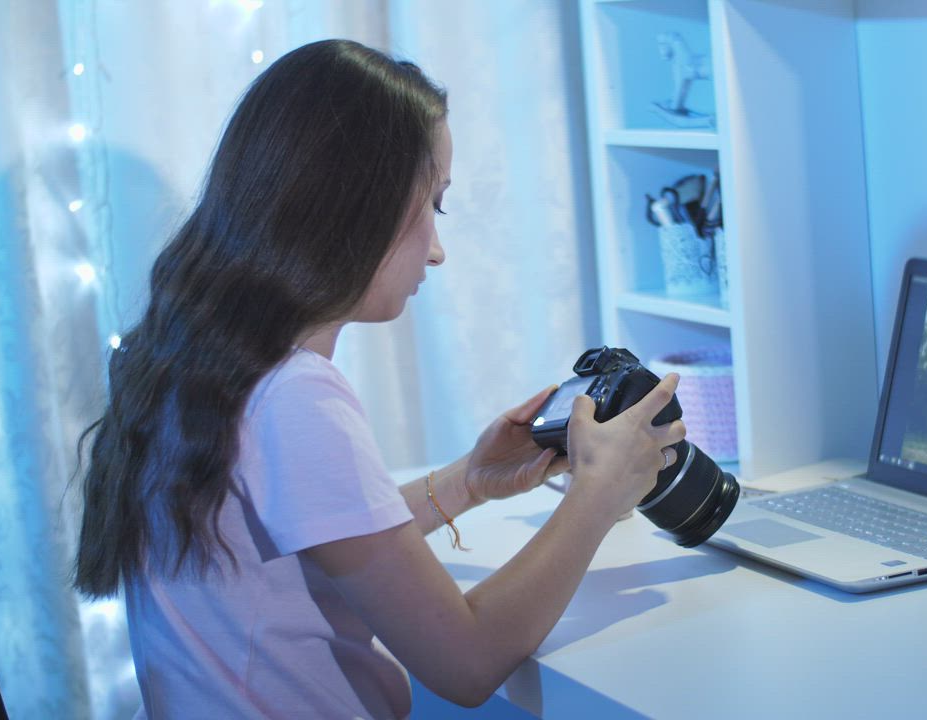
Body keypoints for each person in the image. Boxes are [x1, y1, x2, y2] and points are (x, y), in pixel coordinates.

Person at [71, 40, 686, 719]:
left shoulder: (198, 357)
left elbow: (312, 537)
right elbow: (467, 662)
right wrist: (598, 496)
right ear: (355, 204)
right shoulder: (295, 395)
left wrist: (470, 480)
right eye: (434, 205)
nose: (438, 248)